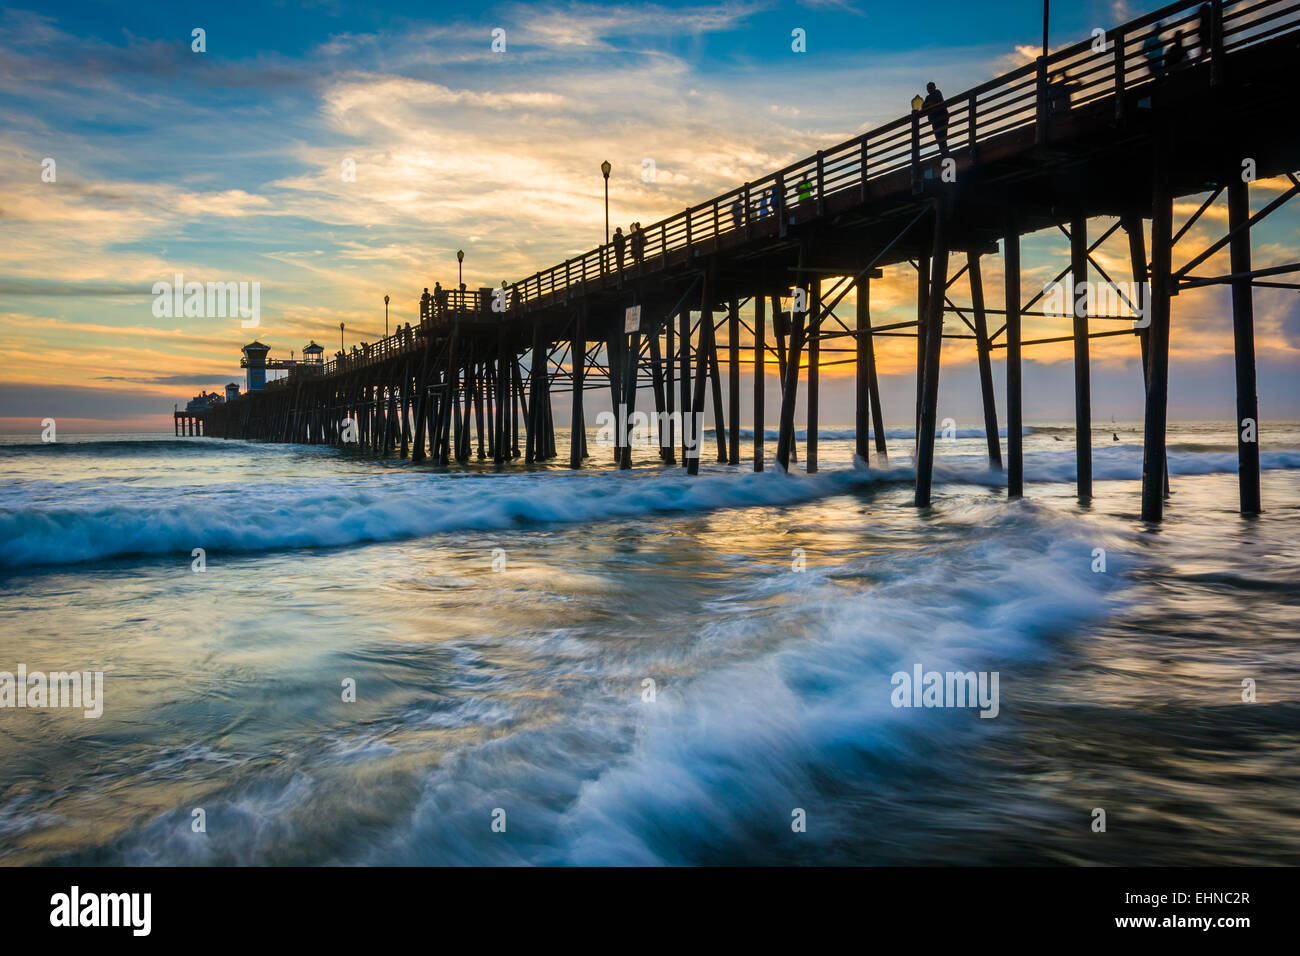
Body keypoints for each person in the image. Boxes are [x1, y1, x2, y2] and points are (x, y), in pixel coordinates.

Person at [922, 82, 949, 154]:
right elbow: (923, 108)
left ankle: (945, 153)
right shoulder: (928, 97)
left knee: (942, 136)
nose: (929, 89)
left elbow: (937, 102)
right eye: (928, 88)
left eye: (930, 87)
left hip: (941, 118)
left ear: (934, 87)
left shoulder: (937, 92)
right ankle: (943, 152)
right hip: (935, 120)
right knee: (938, 138)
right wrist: (928, 104)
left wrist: (929, 105)